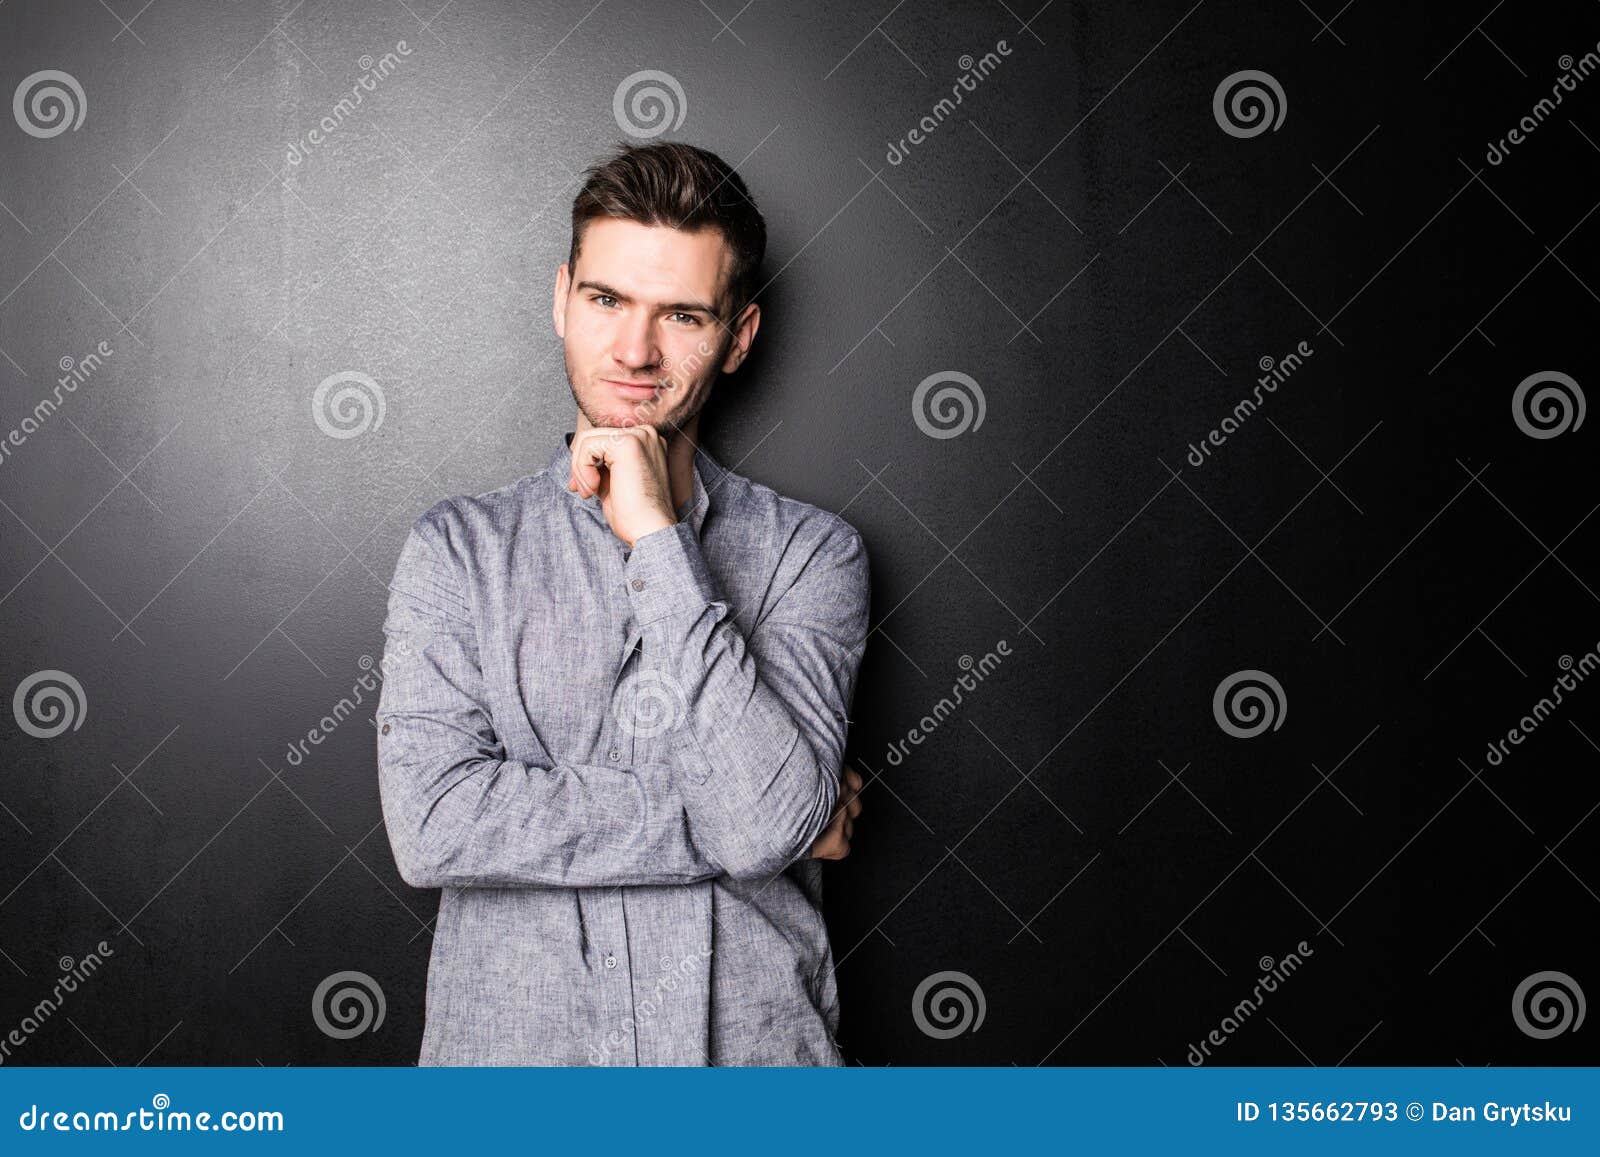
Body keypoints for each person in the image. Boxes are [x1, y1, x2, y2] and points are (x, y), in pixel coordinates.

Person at [375, 141, 870, 1065]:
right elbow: (434, 825)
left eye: (682, 314)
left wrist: (656, 541)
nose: (636, 351)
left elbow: (768, 822)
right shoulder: (457, 551)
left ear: (739, 337)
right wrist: (754, 819)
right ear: (562, 299)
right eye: (607, 300)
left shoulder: (812, 555)